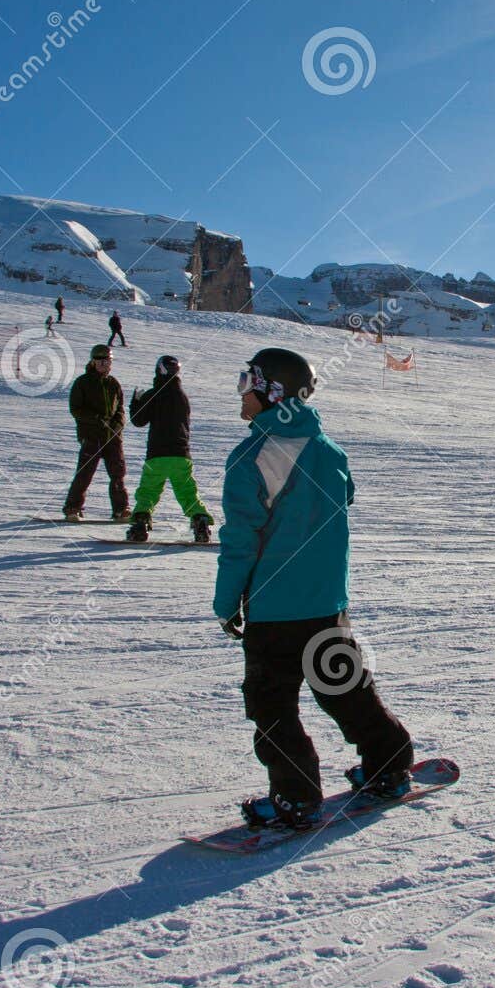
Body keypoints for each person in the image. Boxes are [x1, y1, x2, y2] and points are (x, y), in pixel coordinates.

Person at [214, 347, 414, 831]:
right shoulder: (330, 450)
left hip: (275, 612)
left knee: (272, 706)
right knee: (345, 688)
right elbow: (346, 496)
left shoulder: (252, 456)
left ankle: (296, 797)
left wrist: (226, 603)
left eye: (249, 382)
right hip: (327, 606)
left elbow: (240, 540)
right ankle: (389, 767)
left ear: (273, 391)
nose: (242, 391)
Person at [126, 355, 212, 543]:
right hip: (181, 454)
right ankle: (200, 520)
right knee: (187, 491)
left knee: (148, 490)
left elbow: (138, 420)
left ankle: (140, 523)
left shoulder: (154, 394)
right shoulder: (182, 396)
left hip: (157, 454)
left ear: (159, 370)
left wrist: (135, 402)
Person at [62, 343, 130, 520]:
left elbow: (120, 408)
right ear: (92, 361)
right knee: (85, 473)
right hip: (92, 435)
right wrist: (96, 418)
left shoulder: (113, 383)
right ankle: (73, 508)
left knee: (118, 474)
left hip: (112, 436)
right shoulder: (83, 382)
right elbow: (76, 408)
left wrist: (118, 424)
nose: (103, 363)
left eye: (107, 360)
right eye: (99, 360)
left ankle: (120, 510)